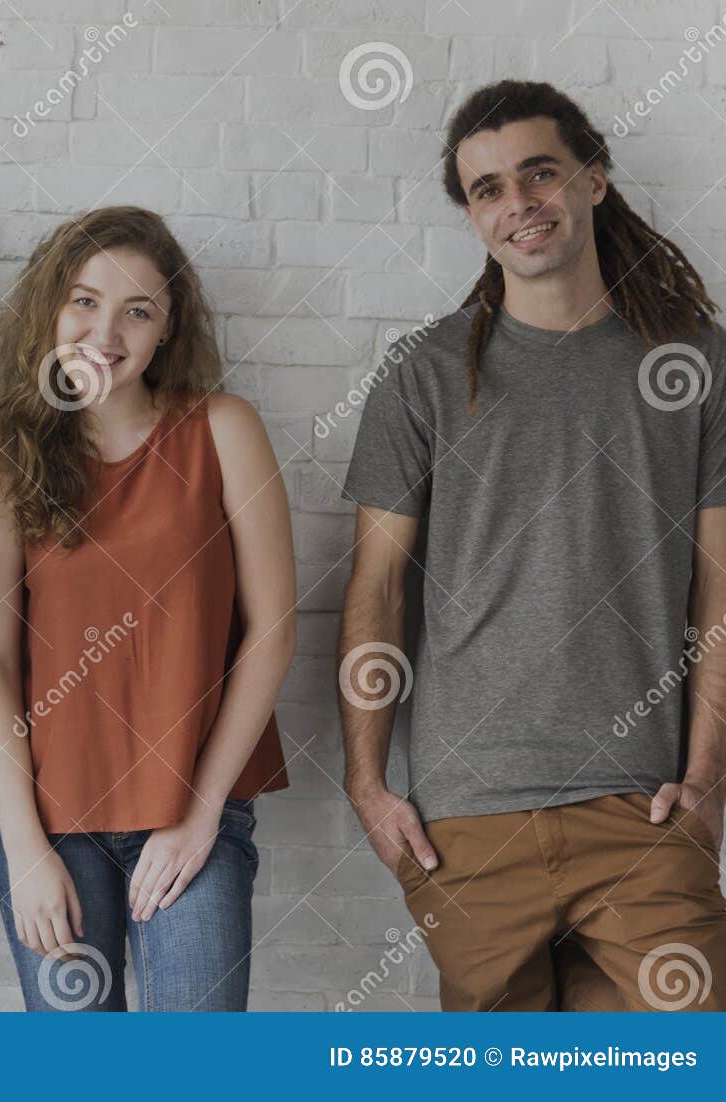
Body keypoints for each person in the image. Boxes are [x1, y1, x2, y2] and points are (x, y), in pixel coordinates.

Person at [340, 79, 726, 1011]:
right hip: (468, 823)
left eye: (539, 173)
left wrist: (707, 779)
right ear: (473, 216)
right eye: (488, 189)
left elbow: (718, 588)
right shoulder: (424, 374)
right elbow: (377, 589)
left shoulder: (696, 366)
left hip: (640, 806)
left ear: (593, 179)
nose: (518, 202)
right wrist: (367, 786)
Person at [0, 206, 294, 1011]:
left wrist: (201, 814)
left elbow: (274, 630)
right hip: (48, 820)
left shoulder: (223, 430)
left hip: (196, 808)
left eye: (137, 311)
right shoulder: (2, 463)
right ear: (50, 308)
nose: (105, 332)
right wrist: (26, 848)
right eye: (84, 301)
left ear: (167, 328)